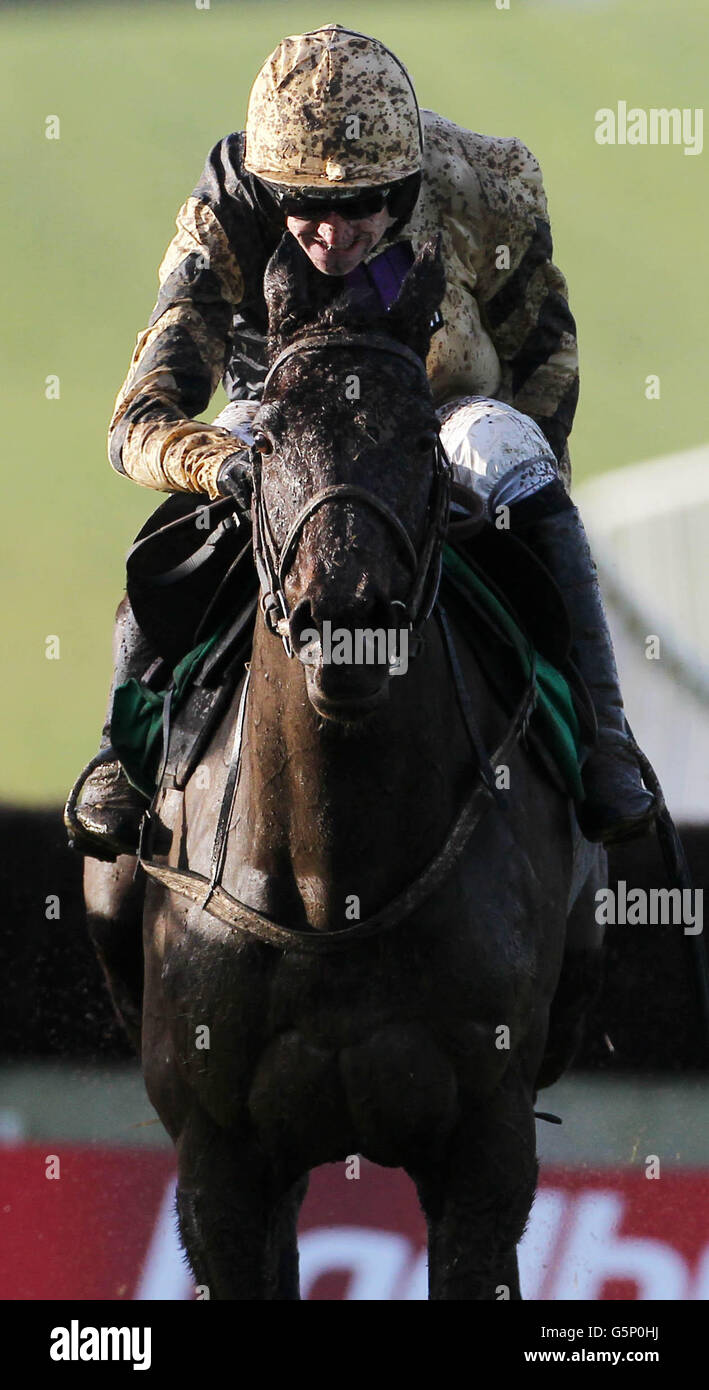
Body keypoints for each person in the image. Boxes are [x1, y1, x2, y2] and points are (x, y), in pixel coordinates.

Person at [67, 23, 654, 860]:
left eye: (359, 206)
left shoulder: (492, 183)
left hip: (440, 415)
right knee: (190, 505)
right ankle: (120, 754)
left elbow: (543, 356)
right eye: (303, 207)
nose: (331, 234)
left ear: (408, 181)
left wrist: (525, 503)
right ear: (270, 190)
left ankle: (604, 742)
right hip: (281, 422)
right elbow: (139, 420)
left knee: (506, 449)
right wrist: (223, 463)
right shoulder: (230, 206)